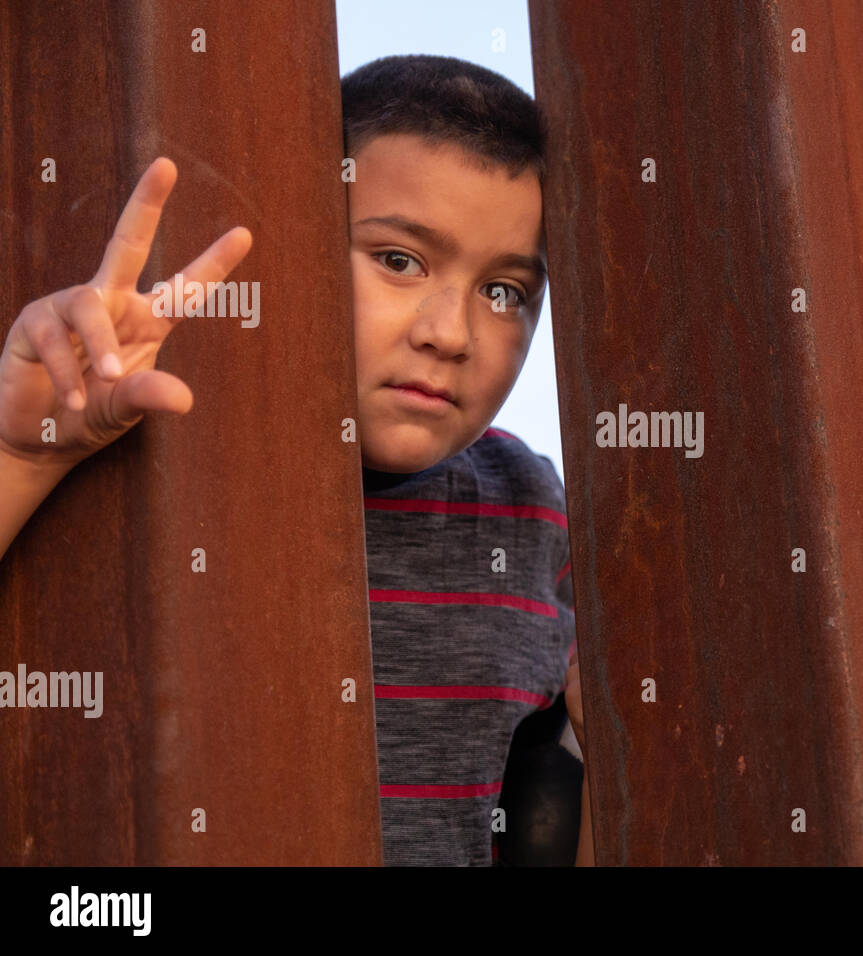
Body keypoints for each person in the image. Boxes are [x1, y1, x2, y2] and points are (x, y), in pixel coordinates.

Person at [0, 54, 593, 866]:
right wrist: (20, 457)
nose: (449, 332)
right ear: (303, 241)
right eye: (398, 260)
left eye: (505, 293)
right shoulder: (150, 440)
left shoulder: (531, 508)